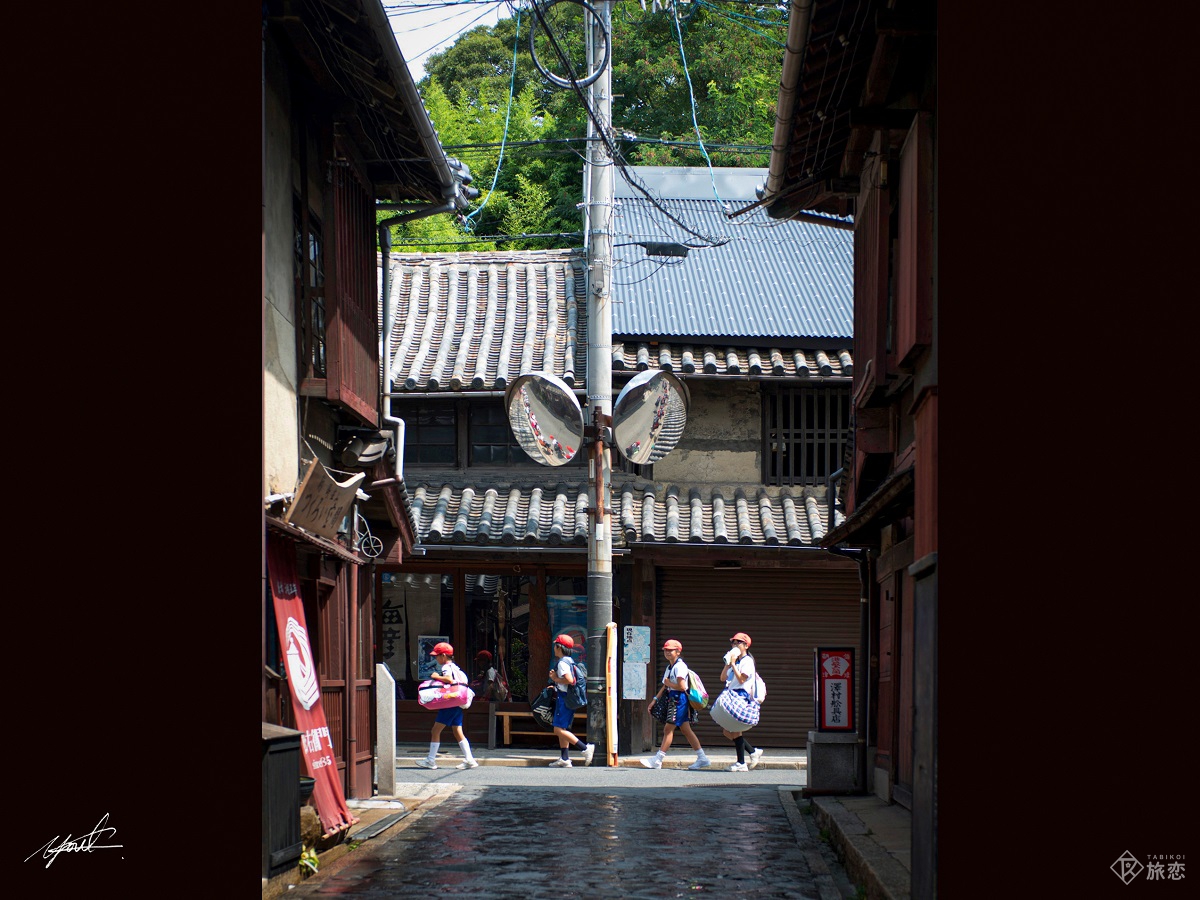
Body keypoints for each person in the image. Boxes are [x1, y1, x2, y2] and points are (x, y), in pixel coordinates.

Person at [641, 639, 711, 770]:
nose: (667, 652)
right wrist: (655, 699)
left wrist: (668, 684)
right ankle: (702, 758)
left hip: (679, 699)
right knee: (686, 729)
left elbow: (681, 686)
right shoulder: (670, 667)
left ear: (678, 652)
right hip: (674, 699)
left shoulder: (680, 666)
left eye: (670, 650)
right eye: (666, 650)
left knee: (668, 729)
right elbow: (665, 684)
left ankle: (658, 759)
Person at [415, 642, 479, 770]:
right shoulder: (457, 668)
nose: (436, 659)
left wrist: (436, 676)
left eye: (437, 656)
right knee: (457, 731)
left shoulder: (446, 667)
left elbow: (449, 680)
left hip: (450, 704)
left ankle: (431, 760)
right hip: (458, 703)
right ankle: (469, 759)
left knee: (435, 730)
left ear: (443, 656)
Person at [547, 634, 595, 768]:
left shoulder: (562, 663)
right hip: (568, 698)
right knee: (563, 728)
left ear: (559, 647)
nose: (554, 648)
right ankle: (564, 758)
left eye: (556, 645)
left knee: (557, 729)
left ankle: (585, 748)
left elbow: (569, 680)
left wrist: (555, 679)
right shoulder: (569, 660)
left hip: (564, 698)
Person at [718, 632, 764, 772]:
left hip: (741, 697)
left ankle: (741, 763)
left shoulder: (747, 661)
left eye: (738, 642)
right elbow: (722, 678)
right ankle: (752, 752)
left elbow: (742, 679)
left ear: (746, 645)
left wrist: (733, 664)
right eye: (733, 642)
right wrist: (728, 664)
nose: (735, 645)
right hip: (732, 696)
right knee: (727, 731)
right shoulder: (736, 661)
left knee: (735, 730)